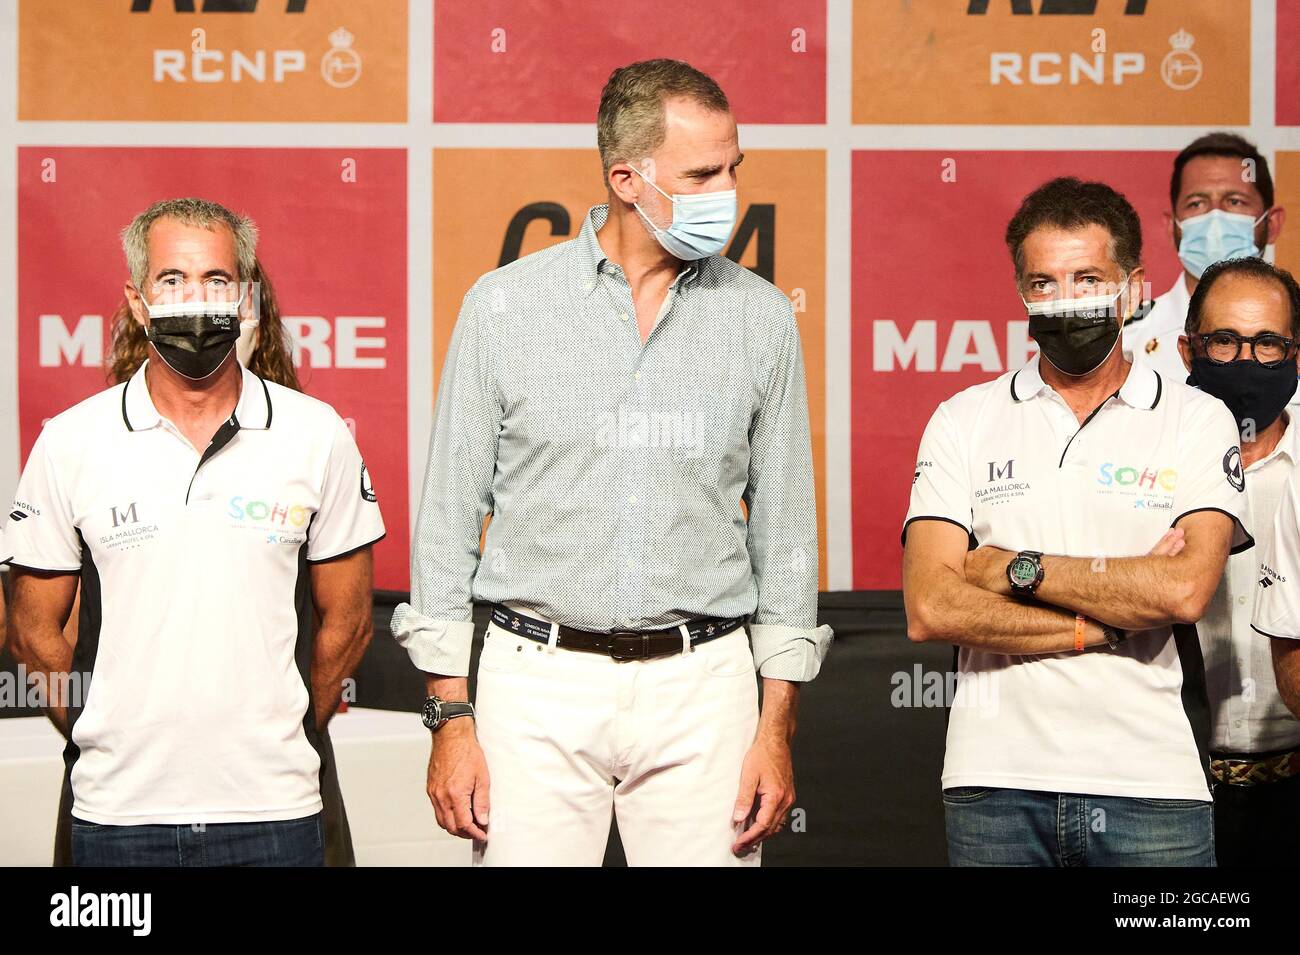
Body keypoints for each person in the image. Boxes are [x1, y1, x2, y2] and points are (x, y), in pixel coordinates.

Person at [391, 58, 831, 867]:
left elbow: (787, 537)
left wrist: (775, 728)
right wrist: (451, 718)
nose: (727, 190)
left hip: (705, 686)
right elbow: (447, 522)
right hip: (535, 681)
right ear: (627, 179)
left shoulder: (762, 319)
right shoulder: (504, 307)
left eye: (734, 167)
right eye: (702, 173)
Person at [5, 197, 384, 866]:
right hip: (118, 814)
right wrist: (102, 728)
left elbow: (348, 622)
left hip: (276, 810)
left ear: (244, 298)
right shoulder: (71, 444)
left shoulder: (315, 435)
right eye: (171, 281)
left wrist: (286, 730)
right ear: (138, 300)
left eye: (214, 280)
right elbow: (33, 631)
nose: (193, 298)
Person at [903, 176, 1250, 867]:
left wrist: (1008, 567)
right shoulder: (964, 420)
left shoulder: (1195, 417)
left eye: (1088, 278)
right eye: (1044, 283)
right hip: (995, 782)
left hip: (1150, 782)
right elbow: (931, 605)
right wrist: (1100, 624)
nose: (1066, 302)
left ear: (1133, 288)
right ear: (1021, 293)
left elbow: (1182, 591)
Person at [1174, 258, 1300, 866]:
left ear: (1297, 354)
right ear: (1185, 350)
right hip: (1170, 790)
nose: (1246, 360)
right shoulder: (1140, 471)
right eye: (1223, 341)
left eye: (1269, 343)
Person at [1123, 132, 1287, 382]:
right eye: (1197, 204)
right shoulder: (1125, 341)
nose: (1215, 219)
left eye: (1235, 201)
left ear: (1272, 224)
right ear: (1171, 227)